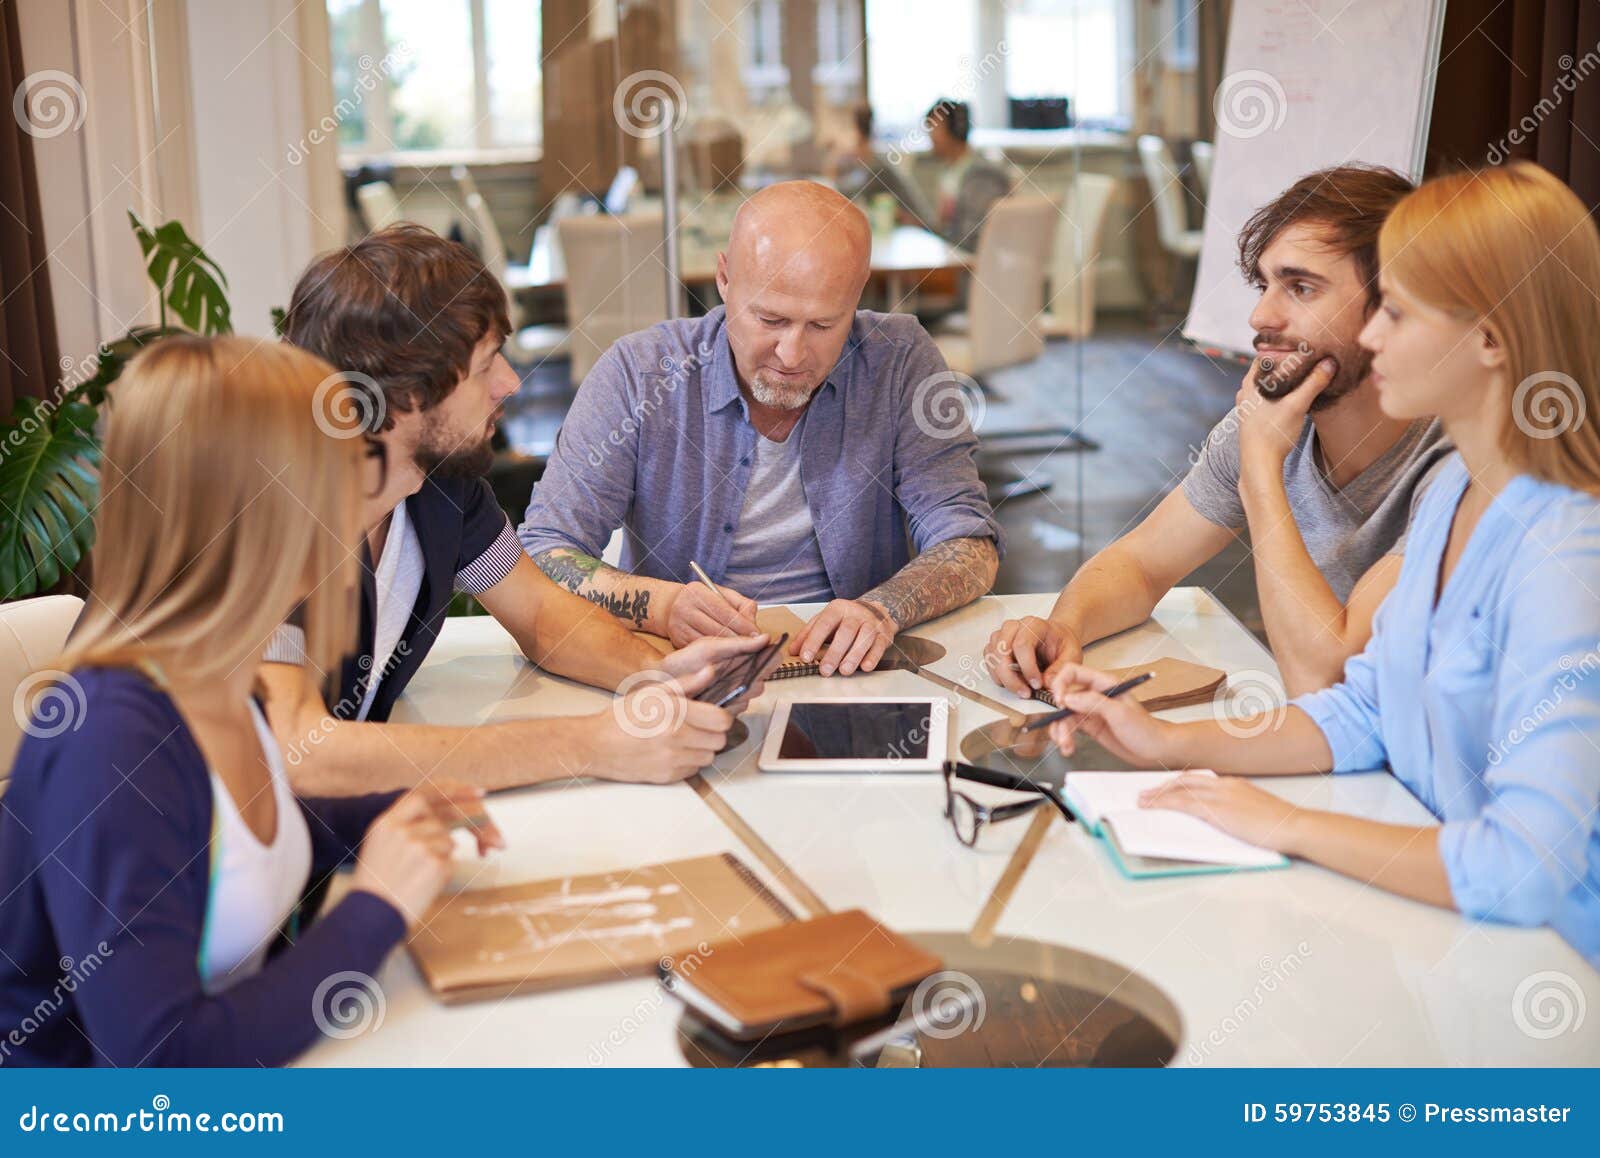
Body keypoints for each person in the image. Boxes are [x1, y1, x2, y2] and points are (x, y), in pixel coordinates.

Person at [1042, 163, 1600, 970]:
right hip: (1451, 927)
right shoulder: (1455, 492)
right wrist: (1160, 739)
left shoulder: (1565, 550)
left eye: (1398, 314)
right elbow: (1366, 708)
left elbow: (1525, 869)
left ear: (1488, 337)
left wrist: (1285, 823)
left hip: (1556, 971)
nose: (1373, 340)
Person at [0, 336, 505, 1066]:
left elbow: (228, 834)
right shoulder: (111, 740)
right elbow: (162, 1063)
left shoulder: (220, 673)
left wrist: (384, 812)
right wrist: (378, 907)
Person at [260, 224, 767, 794]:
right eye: (485, 365)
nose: (509, 383)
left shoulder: (443, 491)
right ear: (405, 393)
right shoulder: (267, 526)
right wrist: (590, 744)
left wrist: (655, 676)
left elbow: (539, 614)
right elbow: (301, 753)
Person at [985, 165, 1453, 699]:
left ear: (1392, 304)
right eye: (1265, 284)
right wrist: (1066, 627)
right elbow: (1140, 565)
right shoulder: (1270, 420)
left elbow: (1327, 677)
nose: (1260, 315)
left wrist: (1260, 465)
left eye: (1301, 288)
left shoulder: (1458, 457)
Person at [520, 180, 1003, 679]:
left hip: (850, 674)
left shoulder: (899, 362)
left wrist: (883, 610)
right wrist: (661, 605)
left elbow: (969, 543)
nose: (792, 355)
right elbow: (542, 551)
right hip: (681, 677)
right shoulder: (639, 375)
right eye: (770, 319)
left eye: (822, 326)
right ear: (724, 278)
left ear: (858, 295)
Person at [922, 98, 1011, 247]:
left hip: (968, 263)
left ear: (956, 129)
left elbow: (970, 240)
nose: (930, 134)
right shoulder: (949, 171)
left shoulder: (983, 175)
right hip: (954, 256)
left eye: (934, 127)